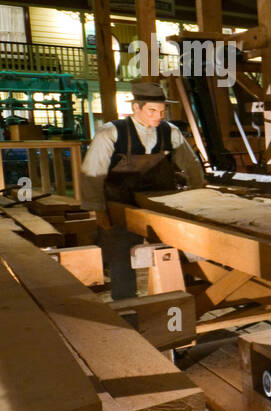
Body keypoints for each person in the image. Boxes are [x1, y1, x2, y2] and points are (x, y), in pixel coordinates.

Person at [79, 81, 205, 299]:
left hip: (161, 202)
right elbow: (92, 174)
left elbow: (191, 164)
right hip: (121, 204)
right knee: (121, 256)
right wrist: (98, 210)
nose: (158, 116)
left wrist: (198, 193)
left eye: (162, 112)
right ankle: (127, 307)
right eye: (152, 111)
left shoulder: (170, 132)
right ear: (135, 108)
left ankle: (183, 299)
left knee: (177, 249)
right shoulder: (110, 133)